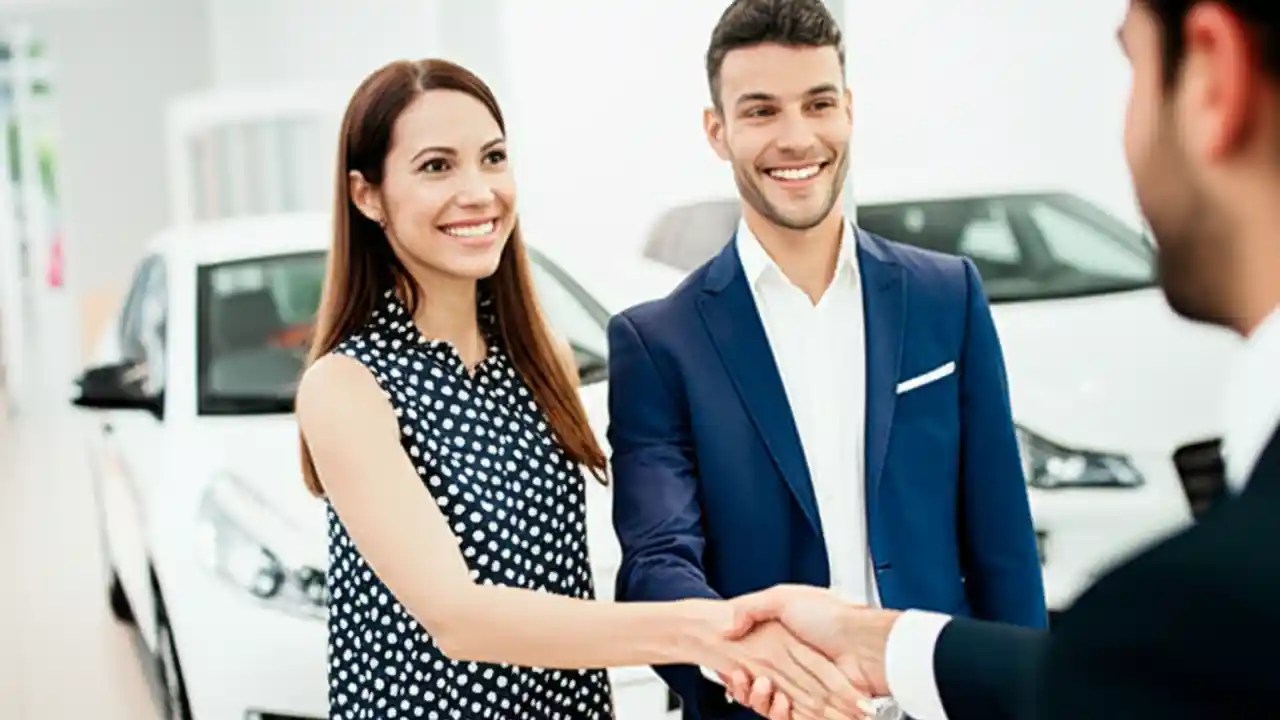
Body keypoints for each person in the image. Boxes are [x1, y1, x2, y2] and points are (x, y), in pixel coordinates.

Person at [726, 0, 1280, 718]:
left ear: (1213, 75)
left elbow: (1005, 534)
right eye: (762, 111)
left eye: (1132, 68)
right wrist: (883, 645)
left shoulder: (1163, 627)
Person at [294, 58, 870, 720]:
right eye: (436, 167)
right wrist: (716, 631)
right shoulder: (346, 385)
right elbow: (459, 617)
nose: (479, 190)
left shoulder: (542, 360)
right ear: (367, 196)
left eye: (492, 158)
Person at [605, 1, 1047, 718]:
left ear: (849, 108)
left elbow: (1003, 541)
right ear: (717, 132)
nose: (796, 137)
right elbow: (658, 564)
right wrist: (749, 673)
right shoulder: (659, 343)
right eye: (760, 112)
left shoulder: (947, 296)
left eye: (819, 104)